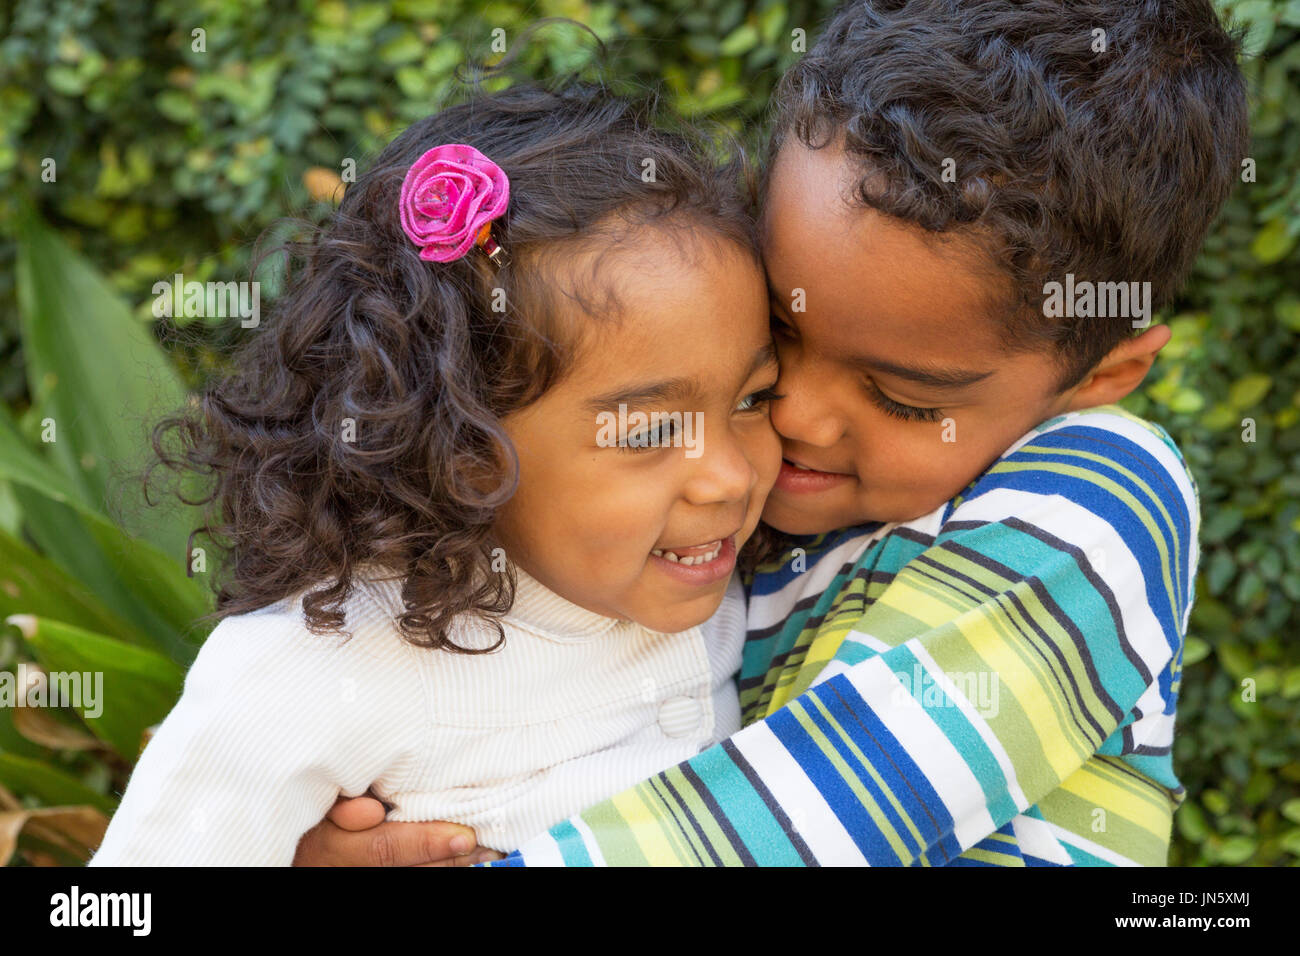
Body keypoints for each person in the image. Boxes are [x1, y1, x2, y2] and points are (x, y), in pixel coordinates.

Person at [297, 0, 1247, 866]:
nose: (795, 414)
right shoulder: (723, 529)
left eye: (905, 399)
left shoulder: (1104, 497)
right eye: (777, 336)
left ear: (1098, 377)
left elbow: (807, 822)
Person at [87, 83, 785, 865]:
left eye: (753, 399)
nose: (731, 477)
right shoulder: (326, 664)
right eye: (651, 431)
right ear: (464, 449)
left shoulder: (755, 567)